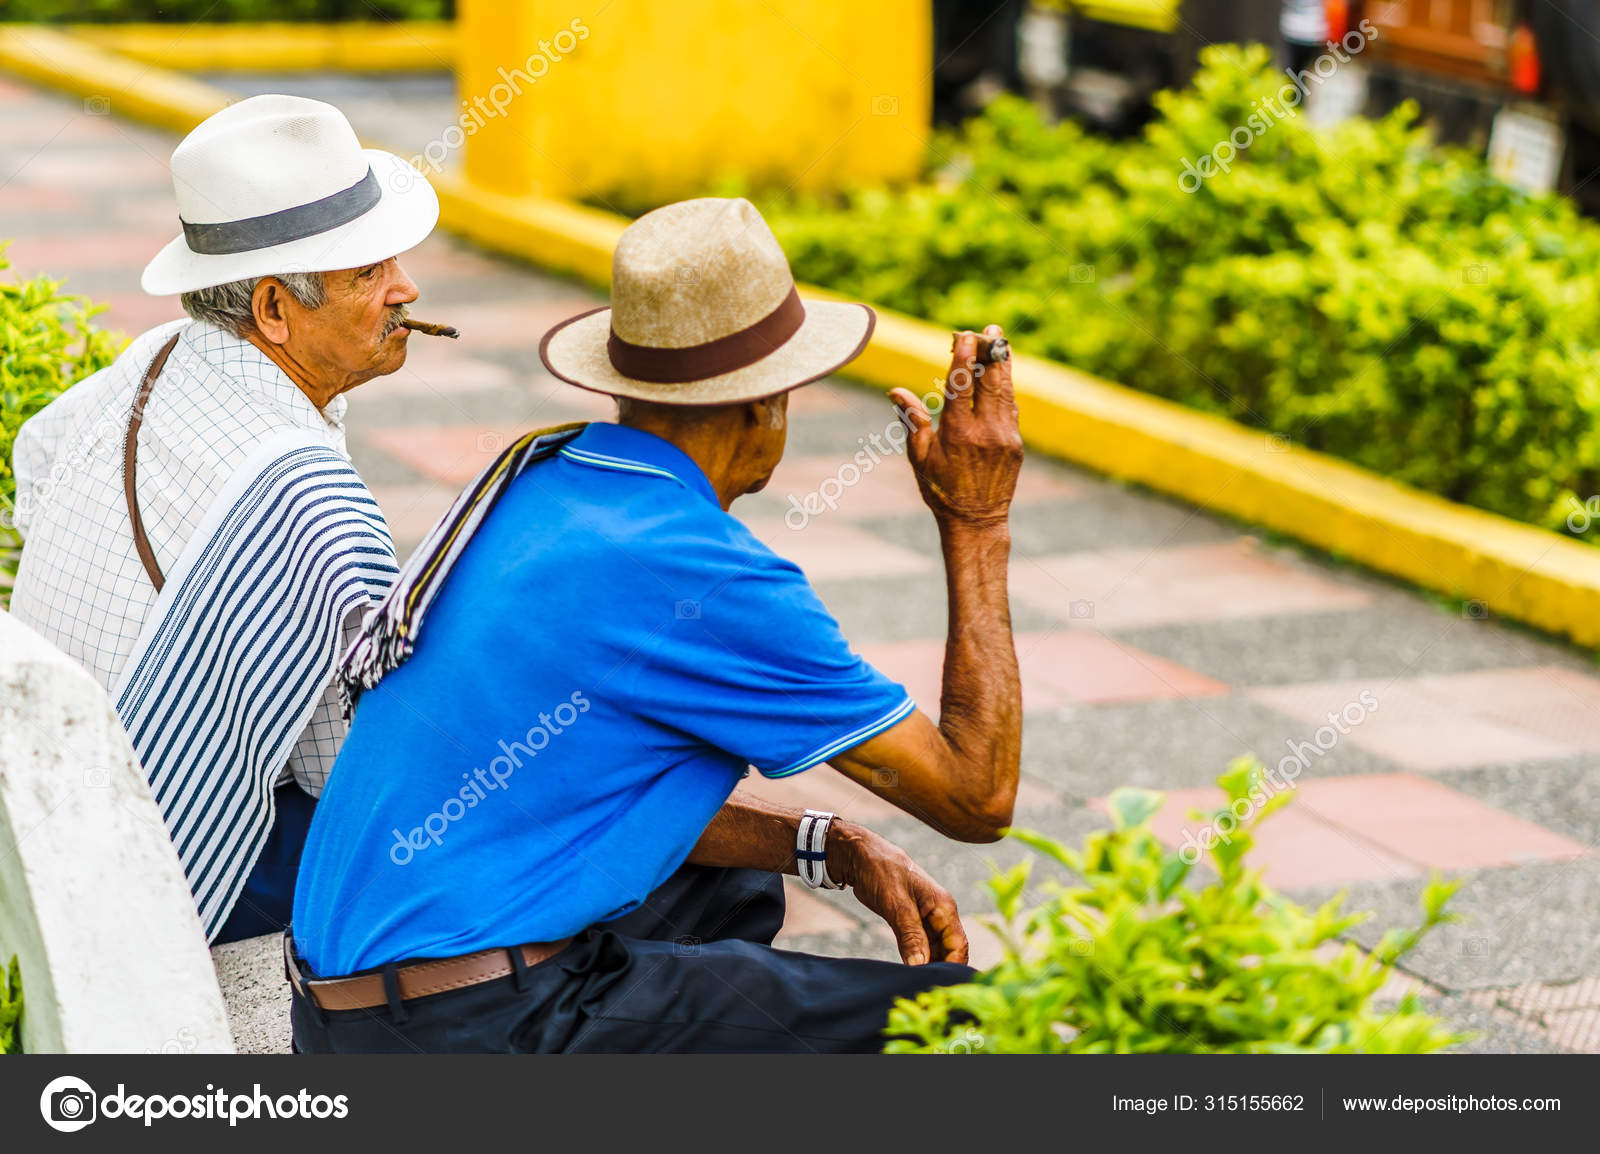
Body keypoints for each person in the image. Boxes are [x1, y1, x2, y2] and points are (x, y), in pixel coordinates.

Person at [287, 196, 1024, 1053]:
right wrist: (976, 520)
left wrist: (832, 845)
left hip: (342, 1016)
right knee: (973, 1024)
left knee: (737, 889)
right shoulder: (701, 571)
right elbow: (976, 798)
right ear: (767, 403)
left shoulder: (538, 476)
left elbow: (573, 787)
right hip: (473, 1029)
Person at [8, 94, 439, 943]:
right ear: (274, 310)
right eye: (367, 274)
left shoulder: (159, 355)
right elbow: (353, 768)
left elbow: (36, 458)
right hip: (168, 868)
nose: (407, 288)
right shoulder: (310, 500)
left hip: (55, 809)